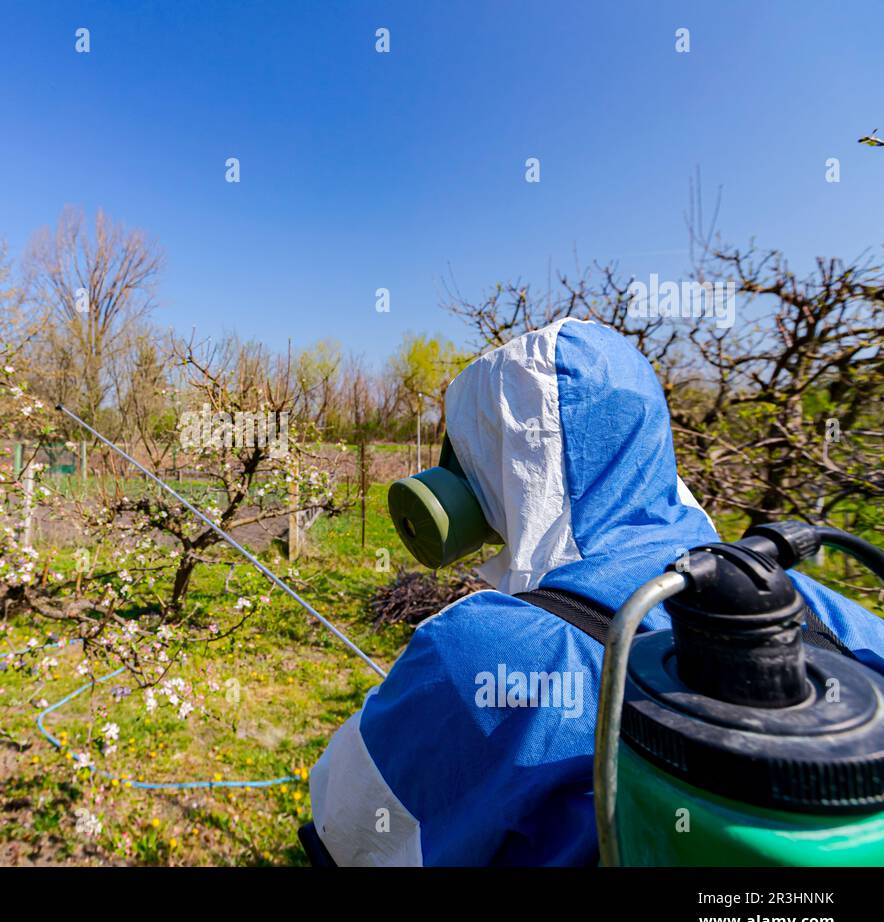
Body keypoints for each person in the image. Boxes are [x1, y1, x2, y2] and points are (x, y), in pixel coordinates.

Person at [307, 317, 884, 866]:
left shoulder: (480, 650)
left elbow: (346, 828)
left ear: (509, 462)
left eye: (472, 453)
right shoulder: (837, 618)